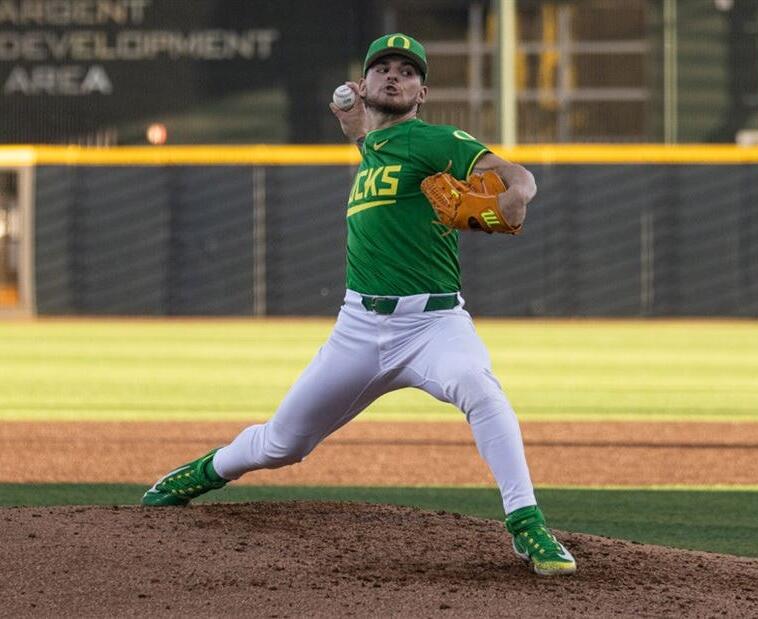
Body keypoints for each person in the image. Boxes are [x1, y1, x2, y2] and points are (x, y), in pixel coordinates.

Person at [142, 33, 576, 576]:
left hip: (434, 323)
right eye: (382, 68)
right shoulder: (373, 147)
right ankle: (198, 473)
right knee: (282, 444)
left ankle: (527, 525)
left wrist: (514, 197)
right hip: (357, 327)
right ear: (365, 84)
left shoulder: (435, 139)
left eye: (408, 71)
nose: (394, 75)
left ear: (422, 92)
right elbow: (374, 142)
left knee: (479, 389)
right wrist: (357, 128)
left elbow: (520, 177)